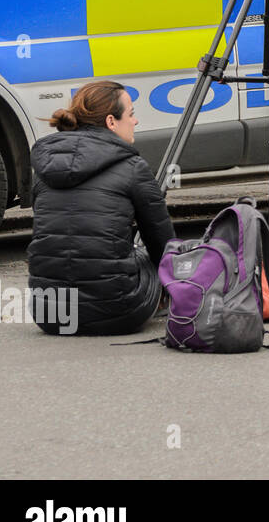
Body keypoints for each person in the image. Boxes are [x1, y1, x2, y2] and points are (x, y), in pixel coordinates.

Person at [28, 80, 176, 334]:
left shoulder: (44, 168)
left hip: (50, 315)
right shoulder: (133, 167)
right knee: (142, 253)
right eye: (131, 114)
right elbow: (162, 243)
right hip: (120, 313)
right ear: (111, 122)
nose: (135, 121)